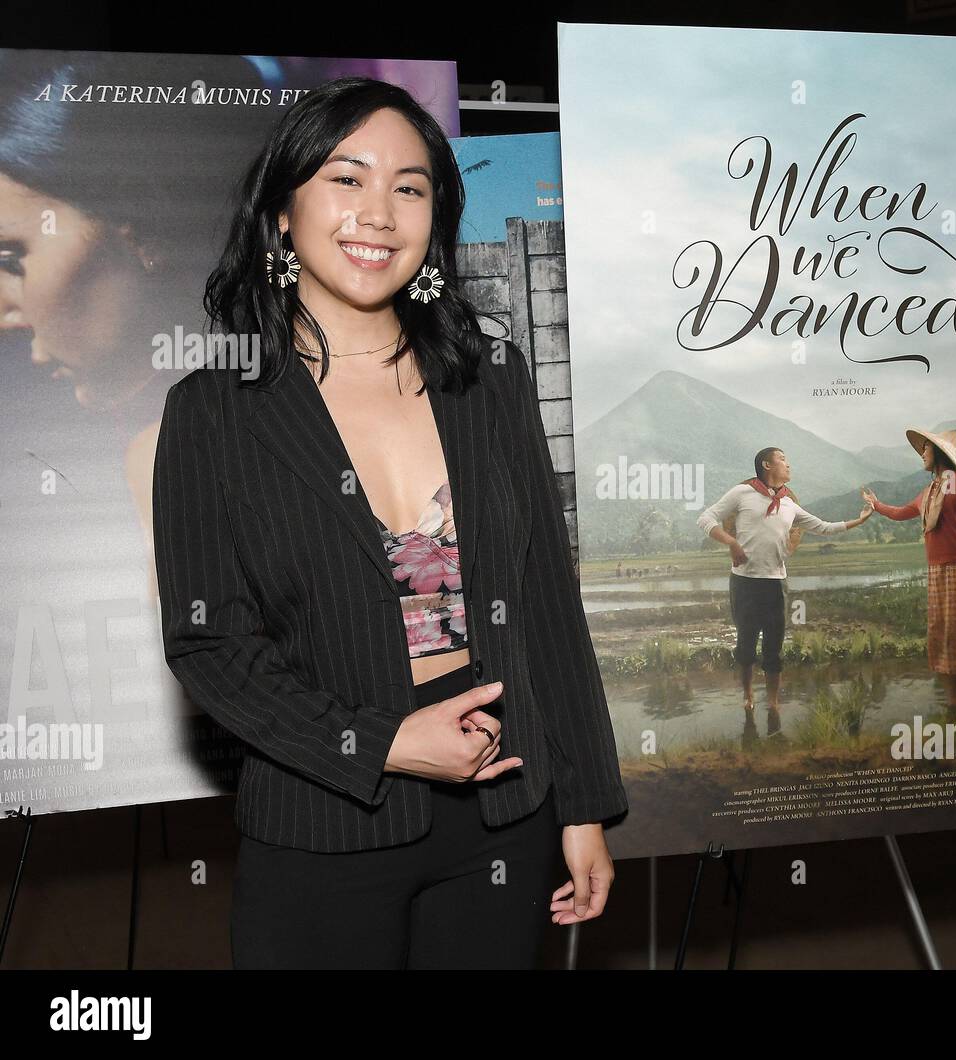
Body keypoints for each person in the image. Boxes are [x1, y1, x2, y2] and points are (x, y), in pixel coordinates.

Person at [151, 78, 627, 969]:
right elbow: (209, 646)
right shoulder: (214, 412)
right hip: (325, 824)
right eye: (346, 179)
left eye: (409, 187)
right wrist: (384, 743)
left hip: (504, 818)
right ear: (283, 211)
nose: (379, 213)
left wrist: (585, 807)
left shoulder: (491, 383)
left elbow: (547, 609)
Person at [697, 447, 872, 712]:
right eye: (782, 459)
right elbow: (705, 518)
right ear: (767, 465)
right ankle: (747, 696)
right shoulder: (742, 493)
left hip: (776, 584)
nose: (788, 465)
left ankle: (773, 703)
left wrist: (858, 521)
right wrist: (731, 542)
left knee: (774, 647)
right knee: (745, 644)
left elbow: (823, 527)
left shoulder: (789, 505)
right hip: (744, 582)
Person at [863, 428, 956, 709]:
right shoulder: (929, 490)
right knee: (943, 630)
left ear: (938, 453)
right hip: (937, 569)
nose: (922, 454)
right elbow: (902, 512)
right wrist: (876, 505)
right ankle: (954, 700)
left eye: (925, 450)